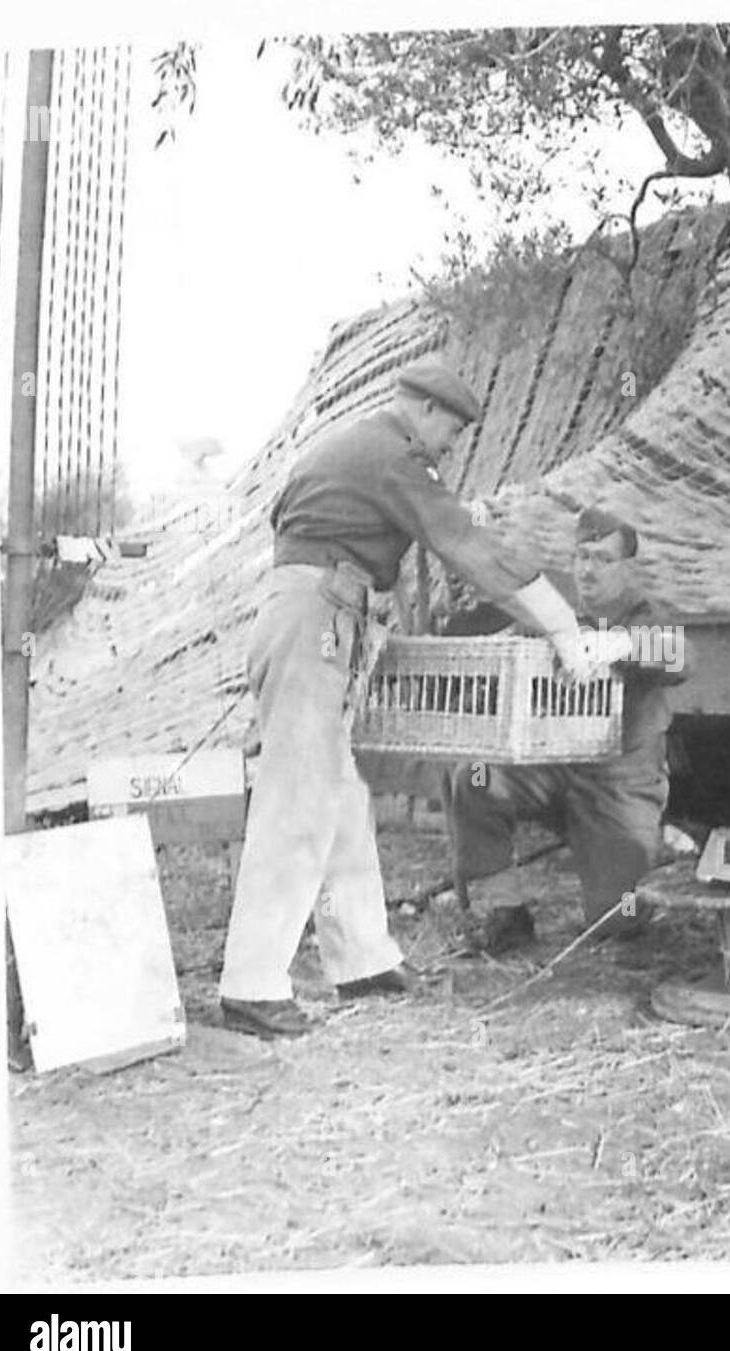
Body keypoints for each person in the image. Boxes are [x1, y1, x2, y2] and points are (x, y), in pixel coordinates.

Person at [219, 359, 593, 1038]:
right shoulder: (394, 458)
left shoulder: (350, 446)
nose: (449, 447)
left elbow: (307, 523)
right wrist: (564, 629)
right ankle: (251, 984)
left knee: (340, 799)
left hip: (316, 615)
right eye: (450, 432)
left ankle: (364, 959)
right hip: (317, 623)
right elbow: (469, 549)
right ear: (425, 410)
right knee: (297, 801)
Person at [450, 506, 691, 949]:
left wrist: (616, 645)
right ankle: (503, 911)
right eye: (581, 556)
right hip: (553, 767)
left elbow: (682, 656)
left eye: (603, 559)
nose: (587, 570)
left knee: (618, 924)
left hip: (619, 783)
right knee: (477, 777)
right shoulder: (557, 613)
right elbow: (506, 653)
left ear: (628, 567)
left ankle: (651, 848)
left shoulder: (646, 616)